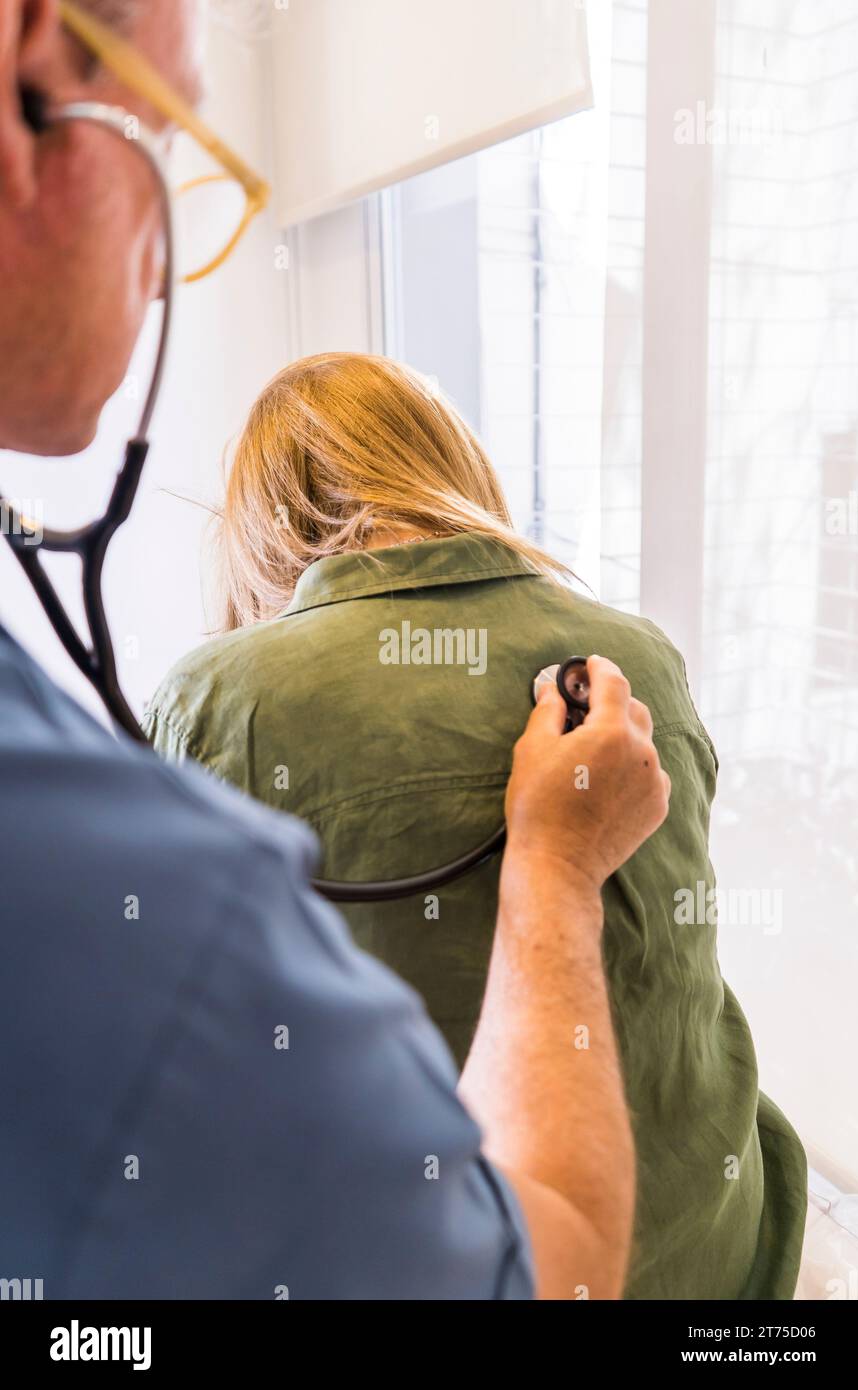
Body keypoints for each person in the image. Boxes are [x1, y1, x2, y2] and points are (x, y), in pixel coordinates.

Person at [0, 0, 670, 1300]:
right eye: (173, 142)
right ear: (34, 79)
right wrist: (553, 859)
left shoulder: (195, 722)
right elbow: (560, 1262)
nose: (159, 270)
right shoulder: (633, 661)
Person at [146, 352, 808, 1300]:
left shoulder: (215, 703)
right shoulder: (639, 658)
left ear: (266, 524)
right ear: (450, 465)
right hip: (717, 1253)